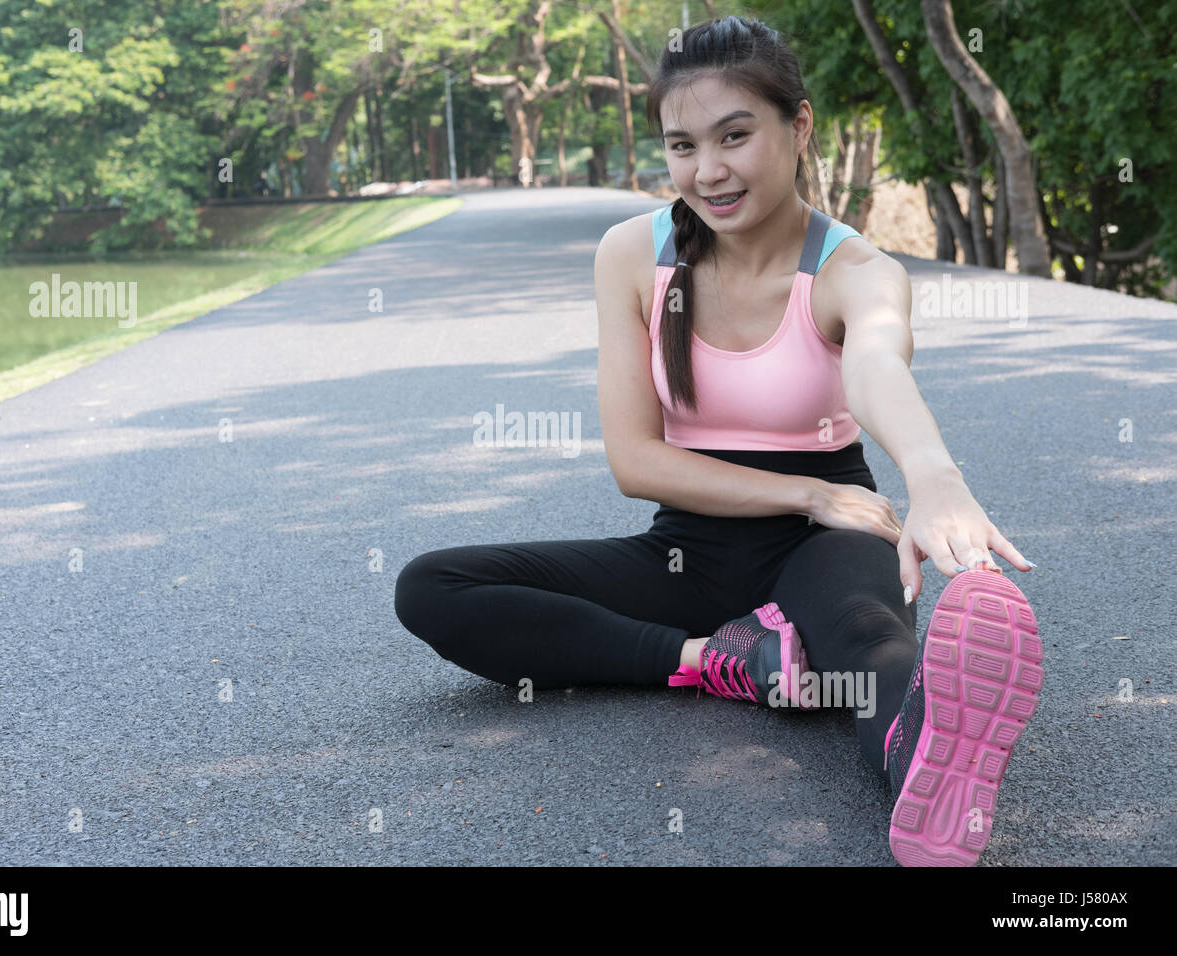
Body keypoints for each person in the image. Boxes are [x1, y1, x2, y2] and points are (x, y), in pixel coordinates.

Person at [394, 15, 1043, 867]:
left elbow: (879, 365)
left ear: (798, 126)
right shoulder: (633, 255)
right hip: (689, 552)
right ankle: (723, 658)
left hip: (827, 543)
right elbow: (635, 462)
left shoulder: (855, 273)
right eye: (682, 145)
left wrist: (933, 477)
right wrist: (803, 491)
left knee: (868, 645)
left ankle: (924, 759)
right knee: (433, 586)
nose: (709, 171)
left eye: (735, 136)